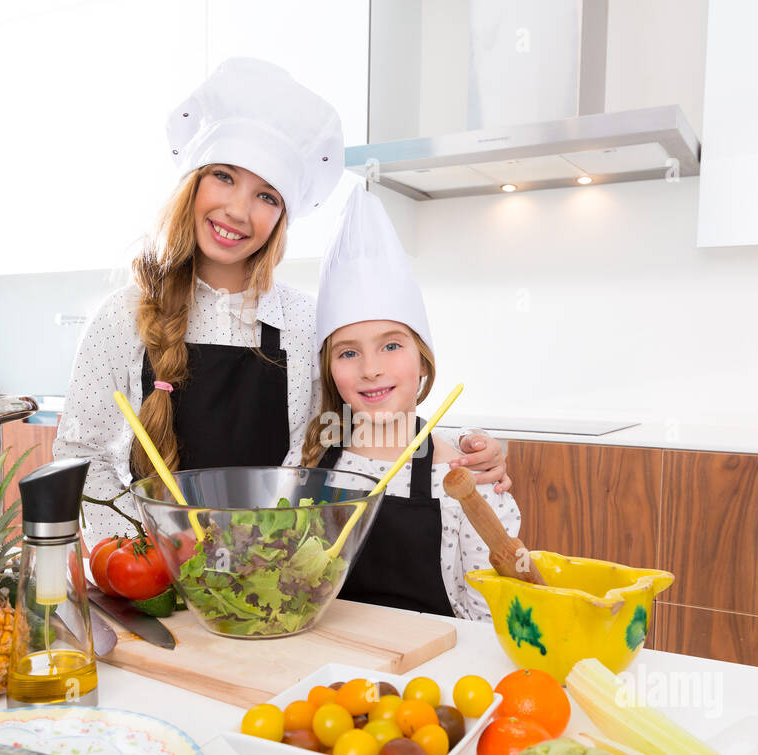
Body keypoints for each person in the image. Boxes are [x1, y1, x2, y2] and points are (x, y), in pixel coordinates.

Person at [54, 58, 508, 542]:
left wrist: (460, 448)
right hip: (152, 581)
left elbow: (360, 432)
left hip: (273, 579)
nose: (237, 210)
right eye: (224, 177)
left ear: (282, 219)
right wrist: (151, 547)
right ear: (193, 182)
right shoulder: (121, 318)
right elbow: (83, 460)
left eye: (267, 196)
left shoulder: (306, 322)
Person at [284, 188, 521, 621]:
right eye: (348, 353)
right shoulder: (307, 460)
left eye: (391, 345)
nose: (371, 369)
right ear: (330, 370)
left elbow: (489, 620)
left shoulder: (466, 482)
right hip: (323, 672)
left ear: (423, 360)